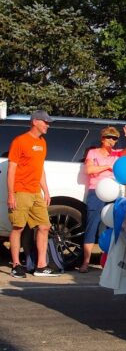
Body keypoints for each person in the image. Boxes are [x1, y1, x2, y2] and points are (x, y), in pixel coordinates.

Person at [6, 110, 61, 278]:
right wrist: (11, 194)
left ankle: (41, 266)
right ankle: (16, 265)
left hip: (36, 192)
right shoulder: (20, 141)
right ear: (35, 121)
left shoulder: (42, 143)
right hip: (21, 191)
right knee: (18, 227)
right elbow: (11, 169)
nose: (48, 125)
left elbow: (40, 168)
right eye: (45, 122)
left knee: (44, 226)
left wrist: (46, 191)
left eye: (48, 123)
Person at [80, 125, 126, 273]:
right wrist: (107, 167)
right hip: (96, 191)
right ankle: (85, 262)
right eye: (109, 137)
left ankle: (111, 262)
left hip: (114, 192)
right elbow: (89, 170)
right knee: (92, 225)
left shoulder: (117, 154)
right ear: (102, 138)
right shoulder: (93, 152)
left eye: (115, 138)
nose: (112, 140)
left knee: (114, 226)